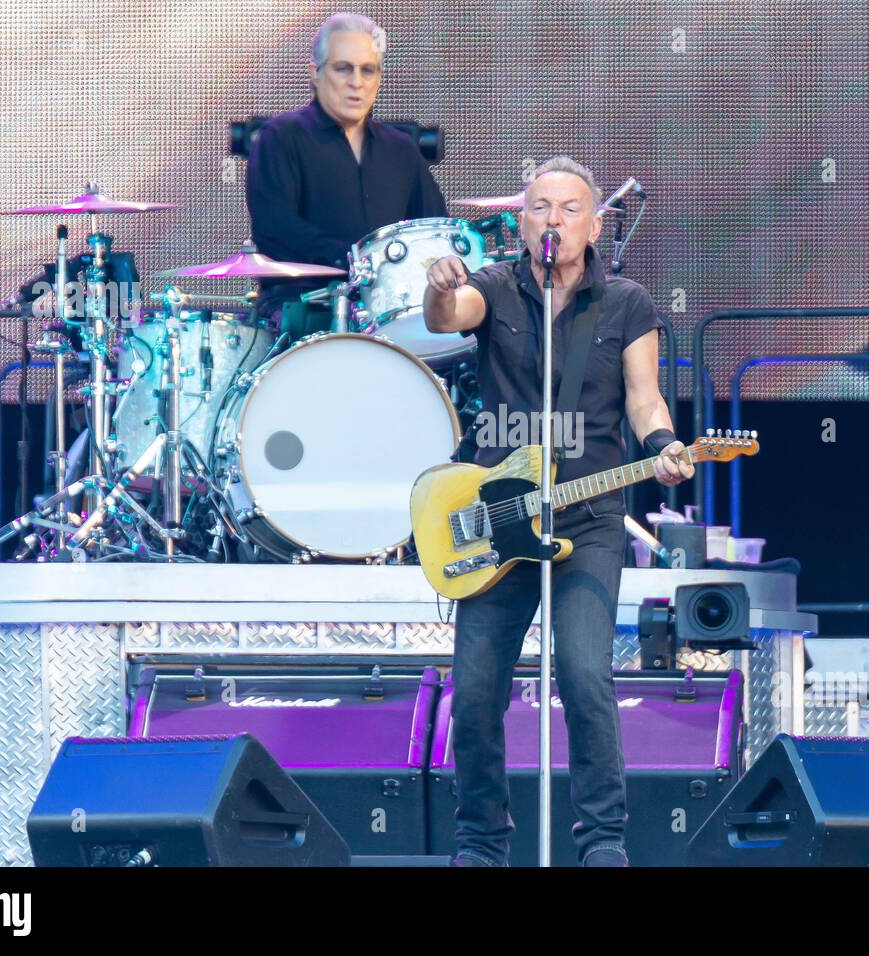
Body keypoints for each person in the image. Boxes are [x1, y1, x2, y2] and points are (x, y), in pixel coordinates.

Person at [422, 156, 693, 867]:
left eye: (568, 208)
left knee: (583, 673)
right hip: (501, 520)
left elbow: (644, 399)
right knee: (476, 692)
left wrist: (663, 444)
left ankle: (602, 841)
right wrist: (437, 288)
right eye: (539, 207)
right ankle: (481, 842)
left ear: (594, 224)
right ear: (521, 221)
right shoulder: (496, 289)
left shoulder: (628, 302)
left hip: (589, 516)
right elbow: (450, 317)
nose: (553, 221)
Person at [245, 12, 446, 330]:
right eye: (343, 69)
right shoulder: (280, 137)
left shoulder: (402, 148)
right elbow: (275, 229)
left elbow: (434, 227)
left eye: (368, 70)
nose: (357, 82)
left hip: (391, 307)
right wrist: (356, 259)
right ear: (315, 72)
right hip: (306, 305)